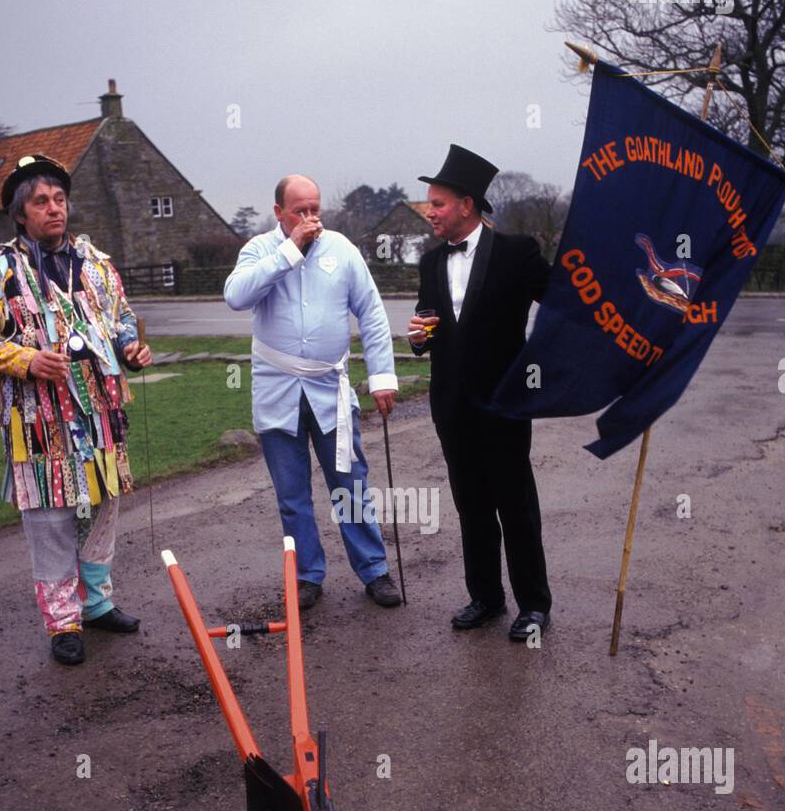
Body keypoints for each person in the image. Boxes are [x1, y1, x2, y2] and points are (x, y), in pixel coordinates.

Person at [0, 153, 151, 665]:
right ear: (21, 214)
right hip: (37, 419)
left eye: (60, 200)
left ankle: (97, 603)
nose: (54, 209)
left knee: (103, 504)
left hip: (102, 413)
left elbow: (122, 317)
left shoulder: (96, 262)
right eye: (41, 202)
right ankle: (62, 621)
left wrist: (131, 347)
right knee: (50, 516)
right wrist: (23, 359)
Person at [224, 174, 401, 609]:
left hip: (330, 388)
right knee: (292, 493)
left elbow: (373, 315)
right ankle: (306, 574)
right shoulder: (259, 250)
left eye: (315, 209)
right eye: (300, 210)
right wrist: (289, 251)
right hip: (277, 389)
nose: (310, 218)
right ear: (279, 212)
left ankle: (374, 568)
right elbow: (236, 296)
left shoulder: (342, 250)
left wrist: (382, 377)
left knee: (350, 485)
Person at [408, 144, 552, 642]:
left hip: (504, 405)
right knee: (471, 505)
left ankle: (533, 604)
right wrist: (417, 339)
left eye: (438, 203)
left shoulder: (518, 252)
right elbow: (426, 332)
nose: (430, 212)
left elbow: (561, 303)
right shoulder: (430, 263)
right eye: (430, 204)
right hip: (451, 406)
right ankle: (486, 598)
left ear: (466, 204)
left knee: (515, 505)